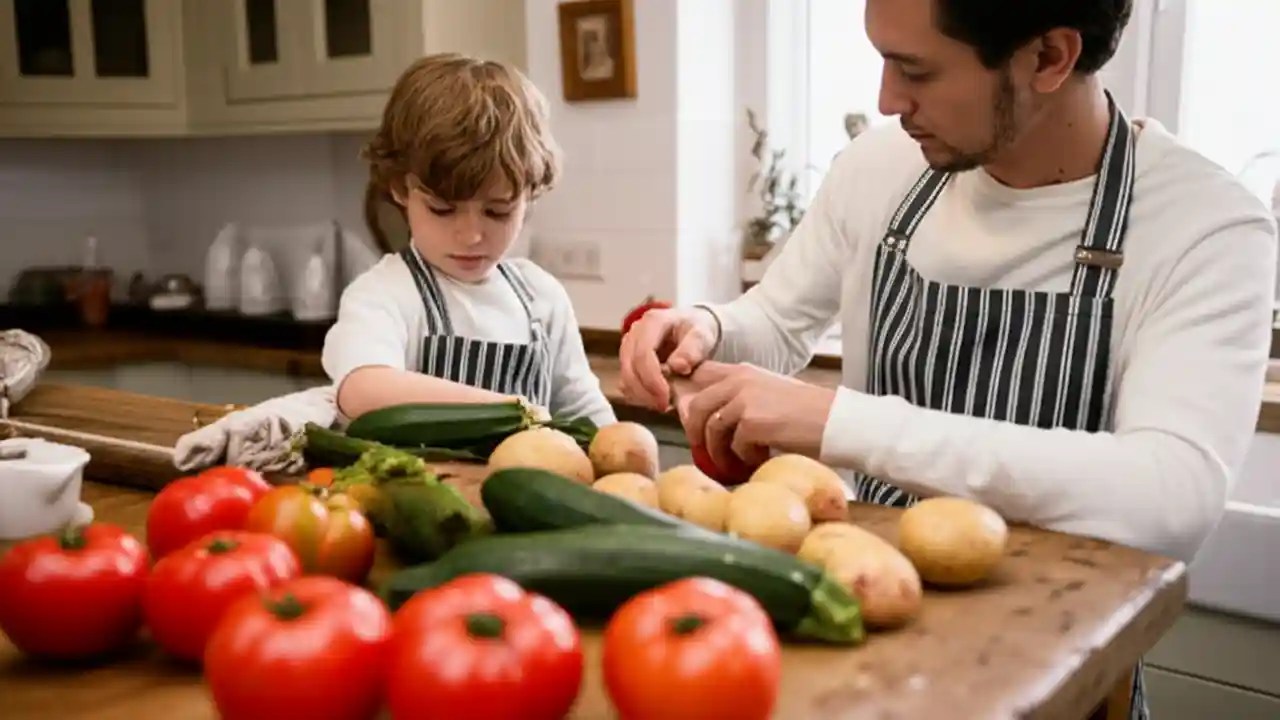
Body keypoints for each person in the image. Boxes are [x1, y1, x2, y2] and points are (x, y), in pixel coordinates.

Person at [621, 0, 1276, 582]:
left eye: (916, 71)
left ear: (1049, 57)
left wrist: (843, 423)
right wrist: (708, 326)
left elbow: (1169, 500)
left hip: (1068, 660)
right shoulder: (879, 168)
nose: (886, 100)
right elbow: (777, 319)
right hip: (872, 607)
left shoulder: (1207, 228)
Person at [323, 53, 615, 428]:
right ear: (400, 188)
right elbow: (361, 391)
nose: (472, 235)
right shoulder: (384, 296)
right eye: (442, 210)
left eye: (498, 212)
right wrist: (514, 411)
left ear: (530, 195)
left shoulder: (542, 299)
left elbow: (585, 413)